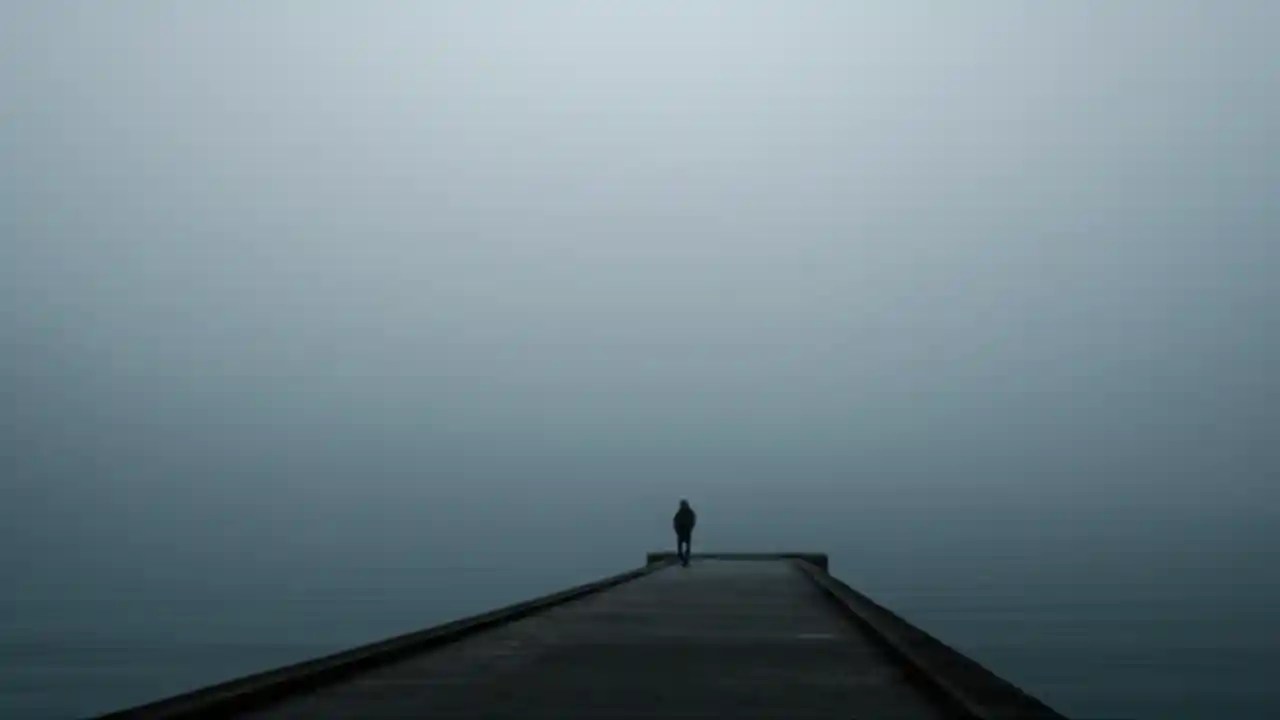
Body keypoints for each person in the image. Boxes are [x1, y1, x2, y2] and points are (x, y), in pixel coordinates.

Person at [673, 499, 697, 566]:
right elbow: (675, 523)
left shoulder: (690, 513)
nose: (683, 506)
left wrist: (690, 529)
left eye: (684, 504)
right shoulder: (679, 513)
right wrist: (677, 531)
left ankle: (686, 560)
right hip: (680, 532)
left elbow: (693, 522)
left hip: (687, 531)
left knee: (687, 548)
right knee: (680, 551)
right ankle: (684, 560)